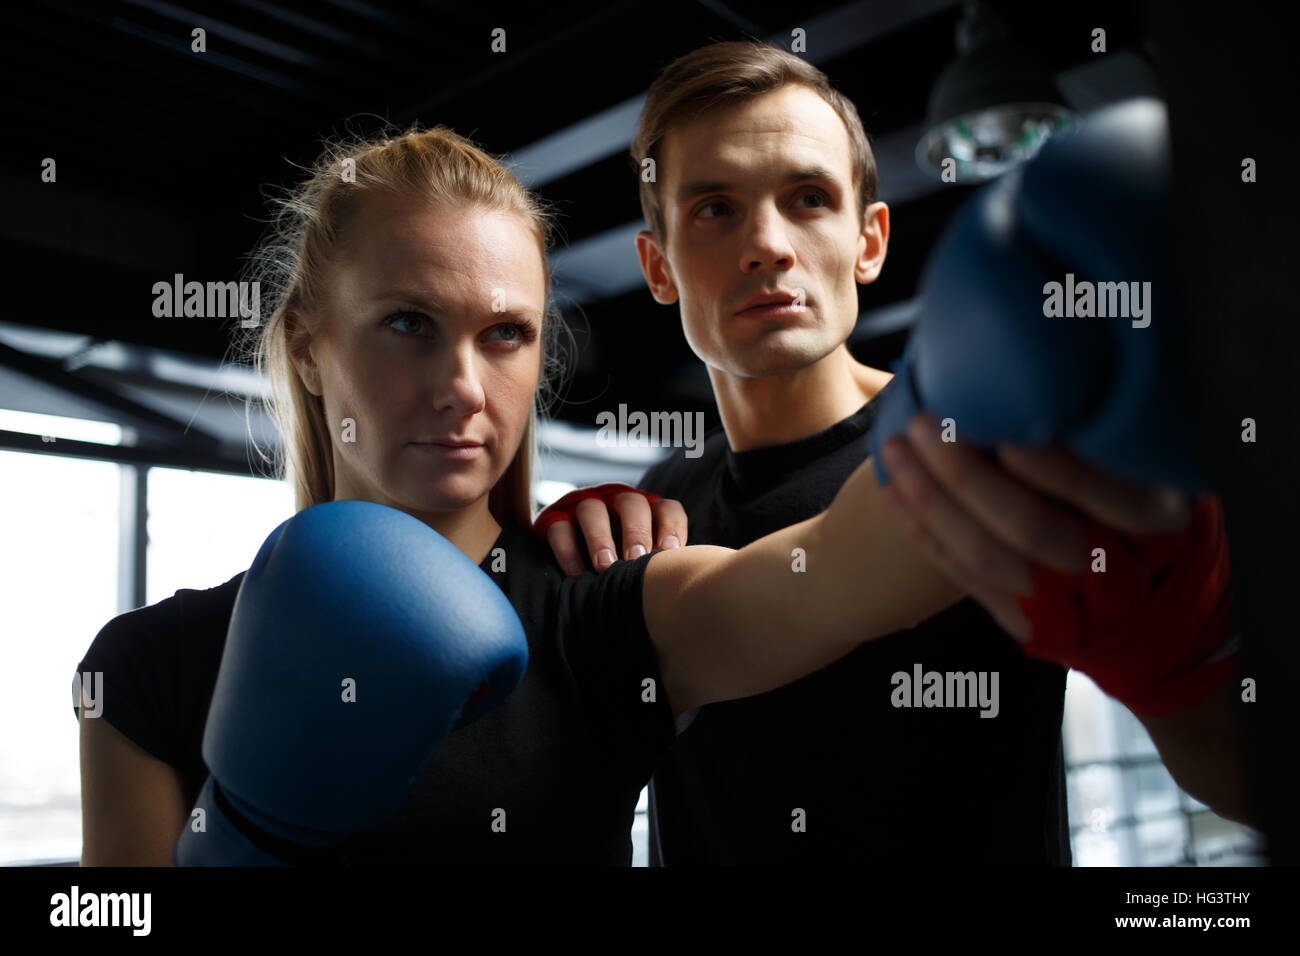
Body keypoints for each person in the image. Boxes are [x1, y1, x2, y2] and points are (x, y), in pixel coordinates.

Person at [74, 123, 967, 866]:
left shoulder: (604, 610)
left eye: (505, 333)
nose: (461, 384)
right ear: (308, 346)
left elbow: (847, 571)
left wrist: (1020, 403)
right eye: (408, 324)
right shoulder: (147, 665)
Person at [540, 41, 1250, 865]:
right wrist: (566, 586)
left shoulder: (990, 450)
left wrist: (1182, 655)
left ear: (870, 240)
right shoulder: (662, 502)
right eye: (714, 208)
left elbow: (1243, 782)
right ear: (658, 266)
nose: (766, 243)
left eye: (808, 198)